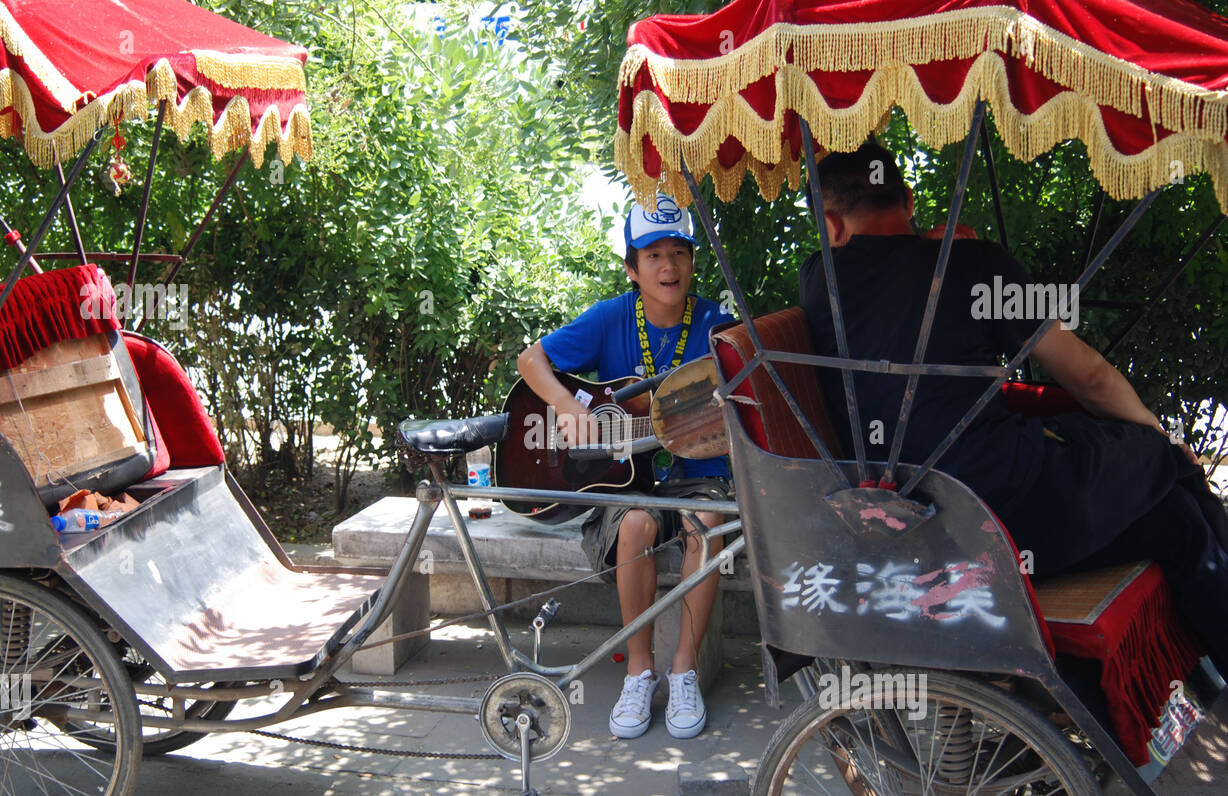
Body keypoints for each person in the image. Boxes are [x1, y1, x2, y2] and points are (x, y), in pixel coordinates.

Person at [797, 141, 1228, 676]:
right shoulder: (976, 266)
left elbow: (883, 264)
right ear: (909, 199)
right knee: (1172, 490)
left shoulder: (817, 279)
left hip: (908, 507)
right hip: (998, 509)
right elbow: (1089, 376)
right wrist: (1160, 439)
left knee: (1163, 493)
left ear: (831, 226)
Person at [516, 195, 730, 738]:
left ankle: (683, 669)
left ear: (692, 262)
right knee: (635, 524)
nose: (667, 266)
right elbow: (530, 361)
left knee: (705, 525)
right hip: (625, 482)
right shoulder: (610, 318)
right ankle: (640, 671)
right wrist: (569, 409)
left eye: (678, 253)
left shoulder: (716, 325)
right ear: (632, 269)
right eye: (652, 254)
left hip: (698, 477)